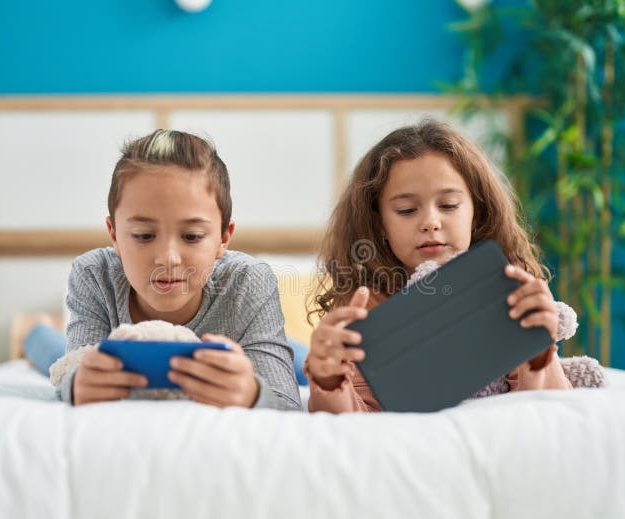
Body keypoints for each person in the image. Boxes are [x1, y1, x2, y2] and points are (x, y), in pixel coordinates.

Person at [305, 119, 572, 413]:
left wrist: (537, 351)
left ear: (477, 213)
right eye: (407, 210)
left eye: (448, 205)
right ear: (379, 222)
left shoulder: (505, 290)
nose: (431, 222)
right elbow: (350, 424)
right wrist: (329, 379)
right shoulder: (362, 309)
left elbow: (551, 416)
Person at [51, 129, 301, 409]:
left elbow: (287, 404)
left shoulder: (249, 281)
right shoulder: (94, 275)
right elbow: (67, 376)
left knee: (301, 360)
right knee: (48, 351)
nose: (168, 259)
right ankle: (36, 332)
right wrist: (76, 386)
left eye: (192, 237)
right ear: (114, 235)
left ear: (223, 238)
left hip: (254, 336)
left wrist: (254, 394)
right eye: (144, 235)